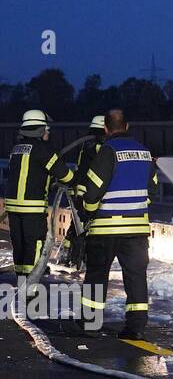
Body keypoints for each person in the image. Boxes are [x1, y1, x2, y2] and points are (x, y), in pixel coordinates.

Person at [78, 110, 157, 339]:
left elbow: (92, 191)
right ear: (128, 125)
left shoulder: (107, 151)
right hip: (137, 230)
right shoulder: (144, 152)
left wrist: (88, 213)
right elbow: (151, 188)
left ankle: (91, 323)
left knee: (96, 275)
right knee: (136, 277)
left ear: (105, 128)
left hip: (105, 229)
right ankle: (136, 327)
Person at [3, 109, 74, 282]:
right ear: (40, 130)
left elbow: (31, 173)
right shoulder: (43, 150)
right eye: (47, 129)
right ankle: (31, 286)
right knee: (33, 245)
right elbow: (66, 175)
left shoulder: (17, 148)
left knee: (19, 245)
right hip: (32, 208)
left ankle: (21, 279)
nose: (48, 132)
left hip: (13, 207)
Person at [68, 114, 106, 269]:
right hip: (91, 194)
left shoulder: (87, 146)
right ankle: (81, 259)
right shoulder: (101, 148)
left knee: (77, 226)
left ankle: (71, 256)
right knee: (87, 229)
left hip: (80, 191)